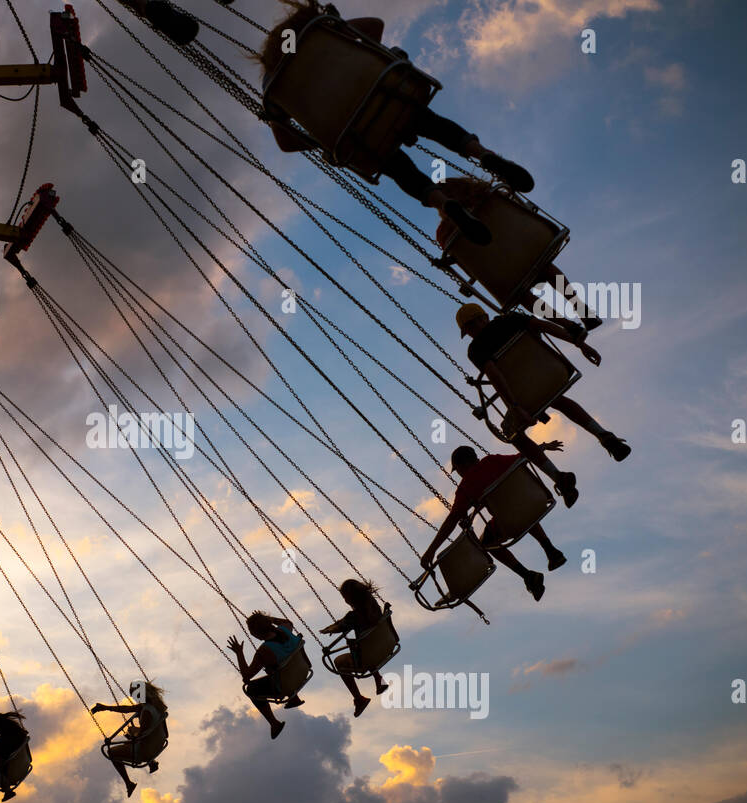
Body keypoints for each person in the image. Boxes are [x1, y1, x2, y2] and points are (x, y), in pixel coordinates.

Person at [257, 0, 534, 245]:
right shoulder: (321, 30)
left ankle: (443, 203)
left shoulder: (274, 87)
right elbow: (374, 27)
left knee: (397, 168)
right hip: (389, 96)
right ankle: (483, 154)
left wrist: (321, 140)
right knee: (432, 123)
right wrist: (338, 27)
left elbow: (285, 142)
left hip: (357, 137)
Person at [458, 304, 631, 462]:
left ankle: (557, 476)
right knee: (555, 398)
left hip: (526, 396)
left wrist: (514, 406)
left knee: (509, 431)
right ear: (485, 316)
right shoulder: (511, 318)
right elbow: (546, 326)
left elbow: (495, 375)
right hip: (554, 373)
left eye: (469, 329)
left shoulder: (475, 350)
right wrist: (580, 344)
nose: (471, 333)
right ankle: (602, 434)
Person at [435, 176, 601, 333]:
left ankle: (568, 325)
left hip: (503, 273)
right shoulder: (489, 196)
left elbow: (462, 259)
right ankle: (579, 306)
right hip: (528, 251)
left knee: (522, 296)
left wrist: (445, 263)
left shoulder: (444, 233)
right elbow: (520, 209)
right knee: (545, 267)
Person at [421, 445, 569, 602]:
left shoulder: (466, 486)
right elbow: (523, 455)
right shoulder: (493, 460)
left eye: (457, 470)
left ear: (462, 465)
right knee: (518, 507)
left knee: (486, 540)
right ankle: (550, 550)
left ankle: (528, 575)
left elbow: (452, 520)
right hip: (535, 500)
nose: (458, 474)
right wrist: (543, 446)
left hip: (510, 520)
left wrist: (431, 551)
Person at [228, 612, 307, 739]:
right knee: (280, 667)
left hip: (285, 685)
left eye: (251, 631)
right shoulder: (285, 630)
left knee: (251, 689)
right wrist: (269, 619)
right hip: (303, 671)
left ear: (255, 633)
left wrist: (239, 653)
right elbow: (288, 622)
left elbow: (247, 676)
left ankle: (274, 723)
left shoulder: (265, 651)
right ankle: (294, 698)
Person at [320, 578, 391, 717]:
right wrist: (335, 625)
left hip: (367, 656)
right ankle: (378, 679)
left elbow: (341, 626)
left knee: (339, 662)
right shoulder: (373, 605)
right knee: (364, 645)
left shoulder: (354, 616)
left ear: (349, 599)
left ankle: (359, 698)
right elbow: (345, 622)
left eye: (345, 598)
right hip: (385, 644)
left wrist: (329, 630)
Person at [91, 681, 169, 798]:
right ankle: (152, 763)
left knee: (111, 752)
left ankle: (129, 783)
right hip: (158, 742)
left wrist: (121, 739)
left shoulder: (147, 711)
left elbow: (142, 734)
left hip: (146, 751)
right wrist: (105, 708)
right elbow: (127, 709)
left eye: (134, 695)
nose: (133, 698)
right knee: (132, 730)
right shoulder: (155, 706)